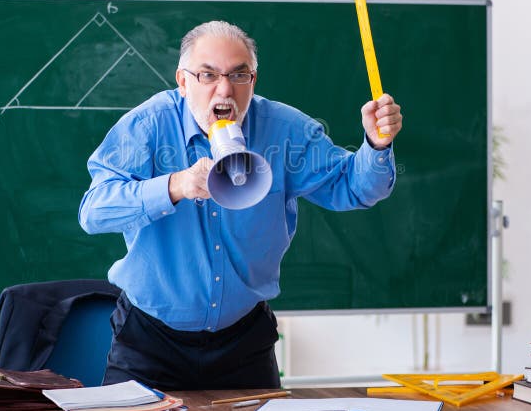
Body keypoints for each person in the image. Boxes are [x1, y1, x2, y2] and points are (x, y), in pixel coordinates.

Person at [78, 20, 402, 390]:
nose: (225, 89)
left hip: (243, 342)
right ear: (183, 82)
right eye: (208, 75)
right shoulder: (148, 126)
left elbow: (353, 187)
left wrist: (376, 145)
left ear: (254, 81)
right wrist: (175, 185)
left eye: (239, 75)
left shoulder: (284, 129)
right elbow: (93, 211)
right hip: (150, 343)